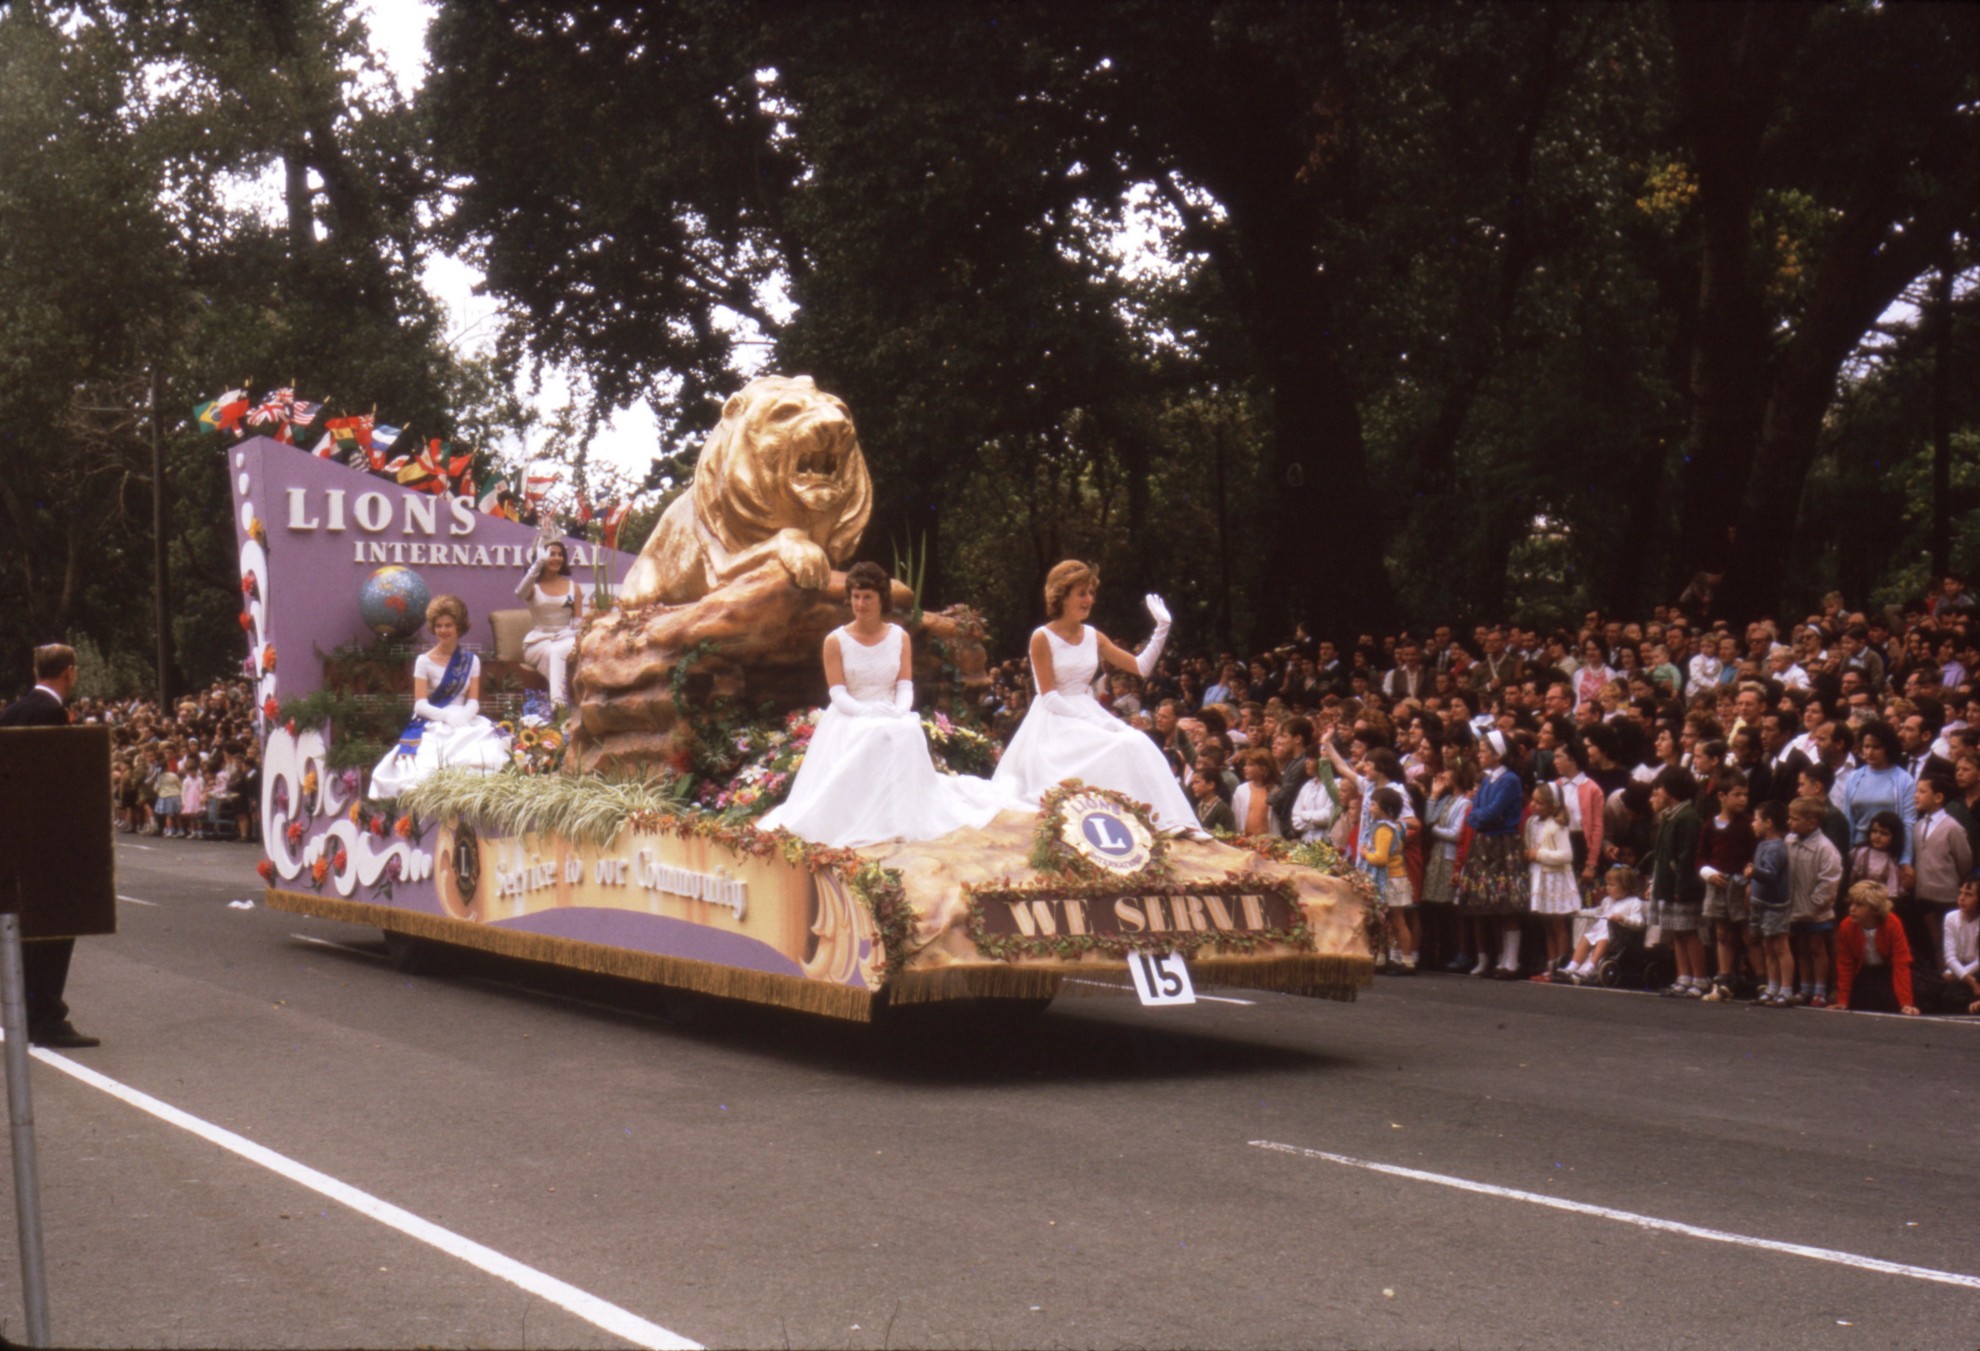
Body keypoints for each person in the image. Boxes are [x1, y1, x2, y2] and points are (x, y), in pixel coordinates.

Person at [761, 562, 1009, 847]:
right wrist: (865, 711)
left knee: (905, 730)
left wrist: (899, 710)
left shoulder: (898, 637)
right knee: (873, 733)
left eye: (867, 597)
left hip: (891, 711)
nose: (860, 603)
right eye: (855, 596)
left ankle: (899, 817)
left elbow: (904, 684)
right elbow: (838, 692)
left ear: (881, 599)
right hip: (850, 714)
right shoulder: (835, 641)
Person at [991, 560, 1198, 835]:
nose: (1089, 599)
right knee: (1114, 746)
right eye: (1081, 593)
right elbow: (1049, 696)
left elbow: (1140, 667)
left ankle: (1165, 821)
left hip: (1087, 709)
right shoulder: (1041, 637)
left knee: (1138, 742)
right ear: (1062, 597)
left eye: (1091, 593)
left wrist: (1162, 628)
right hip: (1056, 717)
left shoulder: (1093, 636)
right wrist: (1096, 722)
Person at [0, 643, 97, 1047]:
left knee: (28, 933)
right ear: (69, 672)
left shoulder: (13, 712)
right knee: (55, 931)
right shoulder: (51, 713)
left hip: (17, 838)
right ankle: (46, 1016)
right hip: (47, 841)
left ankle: (27, 1008)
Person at [367, 596, 511, 799]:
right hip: (435, 720)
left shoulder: (472, 661)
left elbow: (473, 701)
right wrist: (447, 717)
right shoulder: (423, 661)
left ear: (459, 627)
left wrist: (464, 717)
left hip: (465, 718)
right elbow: (420, 705)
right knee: (429, 764)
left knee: (488, 750)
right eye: (438, 626)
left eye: (448, 625)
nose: (443, 630)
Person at [1455, 729, 1528, 978]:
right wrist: (1479, 816)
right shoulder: (1487, 780)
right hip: (1485, 844)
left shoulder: (1510, 780)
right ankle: (1497, 958)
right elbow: (1475, 813)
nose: (1479, 754)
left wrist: (1479, 817)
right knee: (1491, 905)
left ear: (1498, 754)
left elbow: (1490, 813)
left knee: (1507, 905)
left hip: (1503, 844)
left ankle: (1512, 960)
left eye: (1484, 750)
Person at [1647, 765, 1708, 997]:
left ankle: (1699, 979)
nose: (1658, 793)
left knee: (1689, 932)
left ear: (1671, 789)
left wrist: (1681, 886)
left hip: (1683, 886)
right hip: (1668, 884)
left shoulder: (1688, 817)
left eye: (1660, 788)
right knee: (1676, 931)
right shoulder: (1670, 816)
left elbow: (1686, 856)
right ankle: (1683, 977)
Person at [1786, 796, 1843, 1007]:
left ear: (1812, 822)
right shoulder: (1789, 841)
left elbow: (1829, 881)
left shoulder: (1825, 849)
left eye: (1794, 819)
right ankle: (1805, 987)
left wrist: (1813, 905)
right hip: (1795, 909)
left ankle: (1820, 990)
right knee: (1801, 948)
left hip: (1816, 911)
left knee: (1817, 949)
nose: (1789, 823)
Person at [1831, 880, 1918, 1015]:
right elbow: (1845, 963)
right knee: (1861, 1003)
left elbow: (1901, 963)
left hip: (1887, 971)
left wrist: (1906, 1003)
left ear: (1874, 908)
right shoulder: (1846, 926)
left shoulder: (1893, 923)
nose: (1852, 909)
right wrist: (1843, 1000)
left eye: (1859, 905)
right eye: (1851, 903)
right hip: (1864, 972)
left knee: (1889, 1002)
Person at [516, 536, 585, 704]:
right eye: (551, 554)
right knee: (554, 652)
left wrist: (570, 631)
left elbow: (578, 623)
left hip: (566, 638)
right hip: (539, 642)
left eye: (560, 554)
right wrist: (537, 565)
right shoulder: (533, 587)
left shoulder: (573, 586)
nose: (557, 558)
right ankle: (562, 706)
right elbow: (519, 592)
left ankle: (559, 706)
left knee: (558, 650)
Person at [1554, 864, 1645, 985]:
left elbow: (1639, 923)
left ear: (1625, 886)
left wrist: (1623, 919)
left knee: (1602, 940)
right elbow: (1597, 911)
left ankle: (1590, 967)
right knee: (1585, 938)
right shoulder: (1608, 901)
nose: (1607, 888)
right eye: (1607, 884)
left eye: (1612, 885)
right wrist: (1580, 912)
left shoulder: (1634, 902)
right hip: (1600, 931)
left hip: (1617, 936)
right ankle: (1572, 966)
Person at [1525, 782, 1578, 976]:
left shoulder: (1557, 826)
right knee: (1546, 922)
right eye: (1533, 800)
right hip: (1539, 877)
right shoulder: (1531, 822)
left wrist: (1537, 854)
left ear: (1552, 805)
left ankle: (1561, 965)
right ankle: (1550, 966)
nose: (1533, 805)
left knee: (1557, 923)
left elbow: (1566, 856)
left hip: (1555, 879)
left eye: (1539, 803)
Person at [1746, 801, 1795, 1005]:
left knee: (1780, 946)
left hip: (1775, 904)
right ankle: (1772, 986)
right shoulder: (1763, 844)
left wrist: (1754, 872)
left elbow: (1770, 874)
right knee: (1767, 945)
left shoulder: (1776, 847)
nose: (1753, 824)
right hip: (1761, 903)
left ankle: (1786, 989)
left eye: (1756, 820)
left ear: (1768, 823)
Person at [1366, 786, 1417, 972]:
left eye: (1373, 804)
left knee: (1397, 920)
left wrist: (1365, 854)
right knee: (1385, 920)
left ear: (1384, 808)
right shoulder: (1398, 825)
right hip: (1397, 877)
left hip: (1390, 880)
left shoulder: (1383, 829)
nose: (1369, 808)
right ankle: (1381, 957)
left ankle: (1406, 960)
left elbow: (1380, 858)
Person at [1942, 876, 1980, 1014]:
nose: (1962, 898)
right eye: (1960, 893)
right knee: (1947, 994)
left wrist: (1965, 977)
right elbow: (1950, 957)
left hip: (1975, 969)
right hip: (1960, 970)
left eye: (1968, 895)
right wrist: (1968, 979)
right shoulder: (1951, 918)